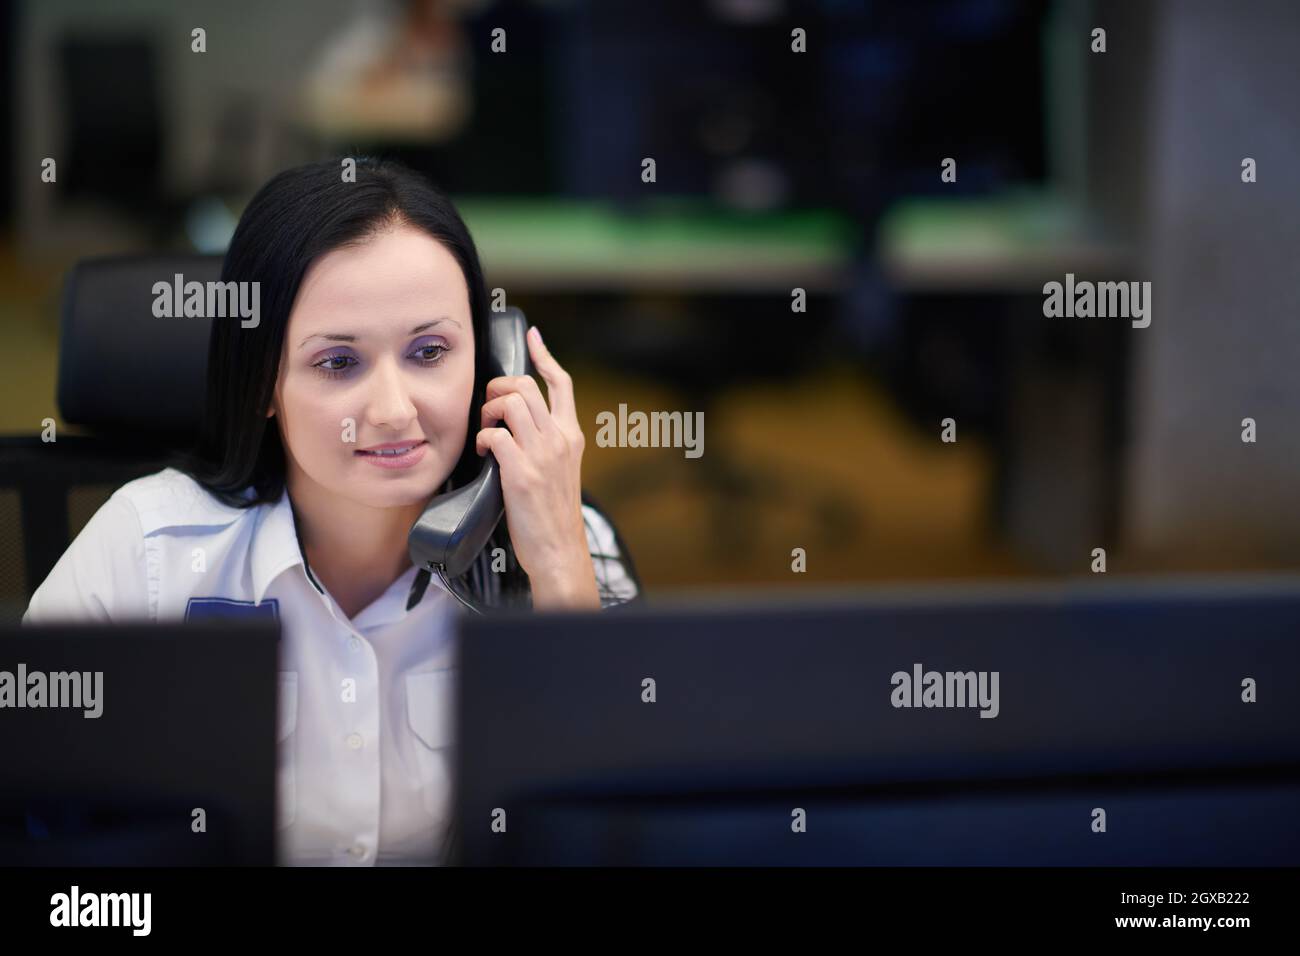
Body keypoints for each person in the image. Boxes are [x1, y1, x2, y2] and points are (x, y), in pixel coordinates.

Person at [22, 157, 641, 865]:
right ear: (262, 379)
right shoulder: (148, 550)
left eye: (430, 351)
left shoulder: (566, 544)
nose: (392, 410)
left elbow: (620, 838)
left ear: (493, 366)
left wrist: (561, 567)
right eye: (338, 363)